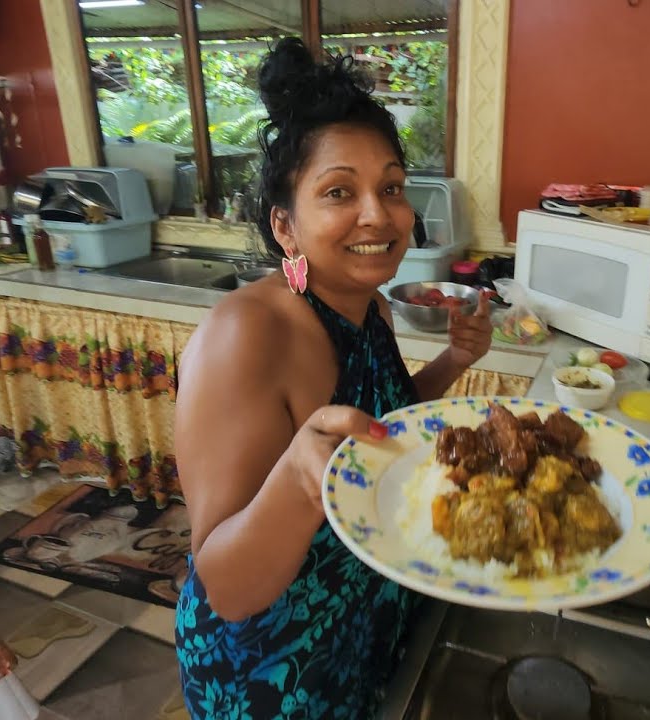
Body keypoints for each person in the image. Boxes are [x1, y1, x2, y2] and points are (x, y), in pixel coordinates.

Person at [172, 38, 493, 719]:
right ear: (285, 226)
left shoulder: (370, 306)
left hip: (363, 616)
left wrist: (453, 362)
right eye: (339, 192)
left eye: (392, 187)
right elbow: (226, 586)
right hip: (271, 661)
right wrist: (296, 479)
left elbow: (377, 429)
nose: (379, 214)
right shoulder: (245, 334)